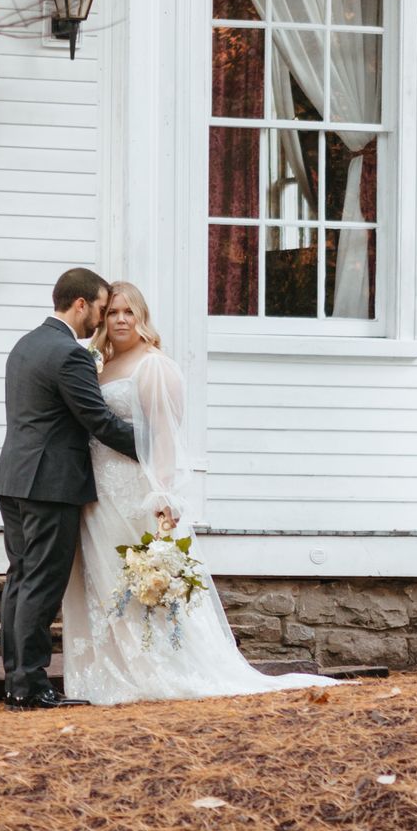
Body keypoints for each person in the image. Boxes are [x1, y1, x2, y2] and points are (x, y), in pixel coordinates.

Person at [59, 281, 333, 705]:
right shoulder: (99, 365)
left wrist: (162, 496)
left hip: (134, 493)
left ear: (142, 317)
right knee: (105, 581)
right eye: (112, 312)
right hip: (97, 493)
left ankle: (158, 667)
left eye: (128, 312)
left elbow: (165, 437)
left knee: (138, 580)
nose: (119, 320)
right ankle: (112, 671)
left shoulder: (154, 366)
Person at [0, 268, 140, 710]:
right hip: (49, 486)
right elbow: (98, 421)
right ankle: (32, 687)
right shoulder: (68, 354)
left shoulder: (25, 346)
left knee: (19, 579)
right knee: (41, 583)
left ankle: (16, 681)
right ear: (80, 304)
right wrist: (150, 447)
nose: (103, 317)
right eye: (101, 307)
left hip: (14, 479)